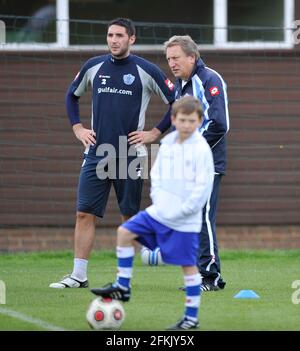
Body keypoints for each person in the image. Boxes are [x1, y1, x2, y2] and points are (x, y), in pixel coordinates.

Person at [49, 18, 175, 289]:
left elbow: (177, 103)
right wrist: (78, 128)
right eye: (110, 35)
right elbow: (72, 96)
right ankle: (78, 276)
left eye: (119, 35)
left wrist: (155, 133)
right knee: (83, 213)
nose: (114, 40)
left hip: (129, 155)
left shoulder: (146, 70)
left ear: (132, 39)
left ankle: (123, 278)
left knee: (128, 216)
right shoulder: (94, 66)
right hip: (96, 153)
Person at [91, 96, 214, 330]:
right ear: (174, 120)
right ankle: (123, 286)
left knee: (188, 266)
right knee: (125, 232)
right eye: (181, 119)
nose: (186, 124)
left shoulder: (201, 150)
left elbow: (203, 187)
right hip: (158, 212)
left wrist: (184, 210)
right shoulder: (167, 143)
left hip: (185, 220)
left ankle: (190, 318)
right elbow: (156, 173)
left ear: (199, 121)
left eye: (191, 120)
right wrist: (157, 199)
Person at [129, 35, 229, 291]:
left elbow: (219, 124)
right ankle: (195, 273)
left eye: (176, 58)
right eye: (168, 59)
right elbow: (173, 117)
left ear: (191, 57)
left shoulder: (209, 80)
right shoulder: (180, 86)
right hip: (186, 166)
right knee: (189, 217)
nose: (171, 63)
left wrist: (191, 151)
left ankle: (211, 278)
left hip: (207, 164)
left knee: (204, 217)